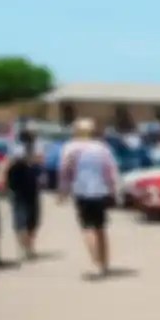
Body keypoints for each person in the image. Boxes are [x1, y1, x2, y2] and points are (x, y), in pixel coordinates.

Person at [59, 118, 119, 279]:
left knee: (88, 228)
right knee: (101, 229)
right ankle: (105, 263)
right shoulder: (102, 148)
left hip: (82, 191)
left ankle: (96, 264)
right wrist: (113, 191)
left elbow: (65, 171)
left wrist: (63, 192)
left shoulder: (70, 148)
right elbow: (111, 172)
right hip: (100, 191)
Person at [0, 130, 43, 260]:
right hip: (19, 188)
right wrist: (2, 181)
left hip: (30, 188)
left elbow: (39, 162)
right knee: (22, 218)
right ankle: (25, 248)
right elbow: (5, 165)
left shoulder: (34, 149)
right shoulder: (16, 150)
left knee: (31, 219)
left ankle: (28, 247)